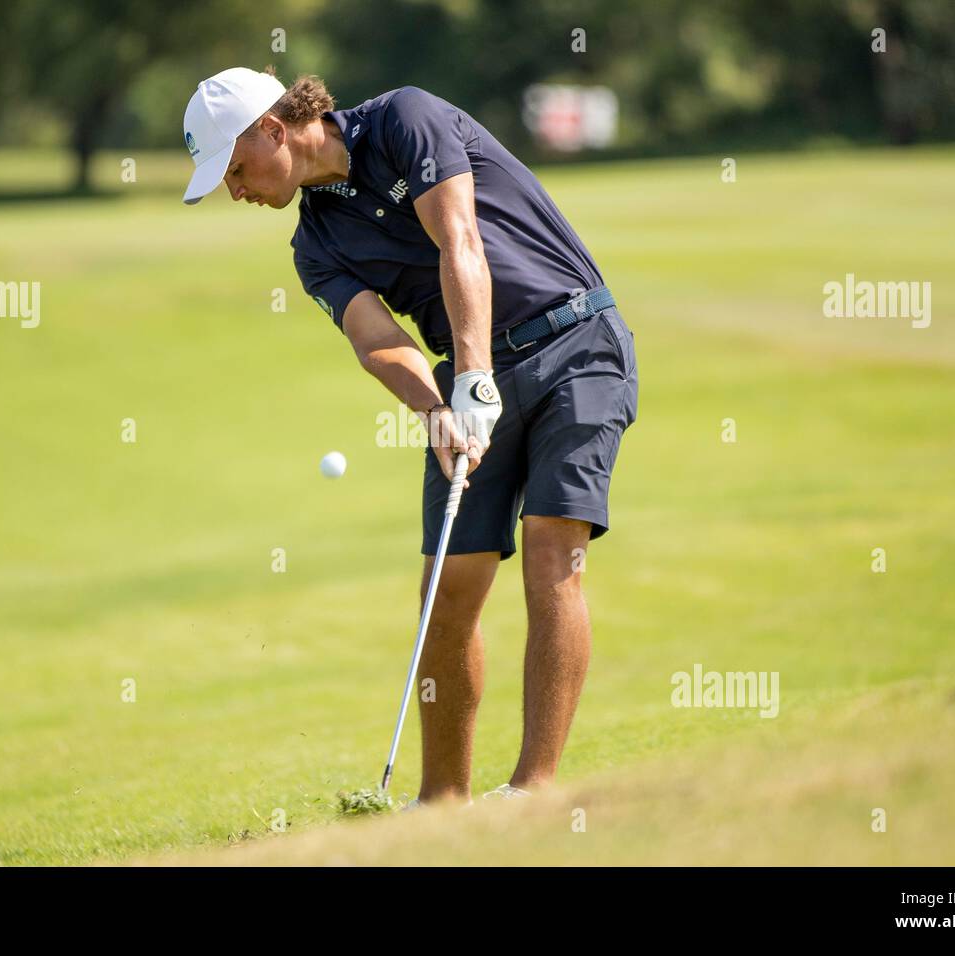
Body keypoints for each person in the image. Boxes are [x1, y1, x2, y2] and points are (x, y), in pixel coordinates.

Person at [182, 67, 637, 804]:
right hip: (468, 379)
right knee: (447, 590)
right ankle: (441, 805)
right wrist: (438, 413)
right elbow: (376, 340)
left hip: (575, 341)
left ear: (272, 128)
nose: (235, 191)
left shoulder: (406, 119)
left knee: (554, 546)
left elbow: (459, 240)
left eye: (234, 168)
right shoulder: (314, 245)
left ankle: (534, 791)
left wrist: (476, 377)